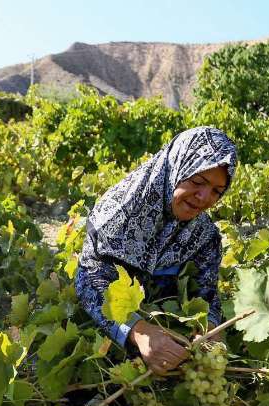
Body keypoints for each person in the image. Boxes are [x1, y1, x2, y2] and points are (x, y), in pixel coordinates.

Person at [75, 127, 237, 376]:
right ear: (175, 168)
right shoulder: (117, 213)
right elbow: (90, 280)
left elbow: (206, 293)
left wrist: (210, 328)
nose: (204, 197)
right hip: (103, 341)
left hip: (171, 346)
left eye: (217, 191)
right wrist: (139, 332)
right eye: (197, 182)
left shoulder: (205, 237)